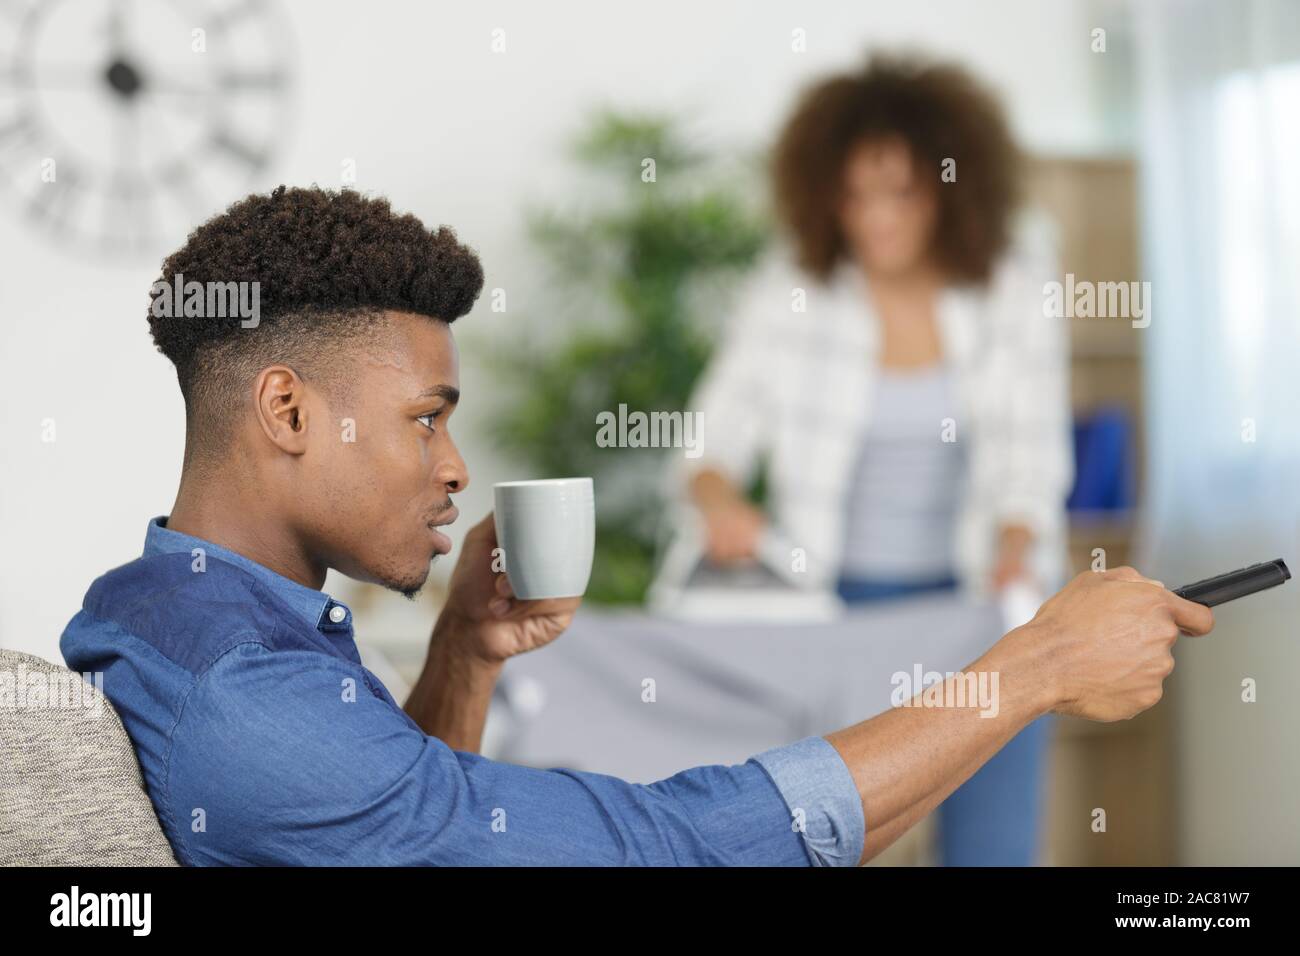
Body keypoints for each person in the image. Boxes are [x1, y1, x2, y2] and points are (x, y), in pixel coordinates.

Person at [60, 186, 1212, 866]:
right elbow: (661, 850)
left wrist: (461, 652)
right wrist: (1034, 665)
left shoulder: (163, 603)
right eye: (425, 420)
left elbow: (409, 823)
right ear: (287, 408)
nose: (454, 466)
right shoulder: (252, 702)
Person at [677, 55, 1071, 864]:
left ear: (950, 189)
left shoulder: (1013, 293)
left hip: (976, 609)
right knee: (819, 836)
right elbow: (707, 444)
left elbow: (1034, 456)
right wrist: (720, 504)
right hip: (831, 607)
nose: (877, 219)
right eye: (855, 195)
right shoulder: (789, 294)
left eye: (901, 193)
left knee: (992, 847)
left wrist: (1017, 545)